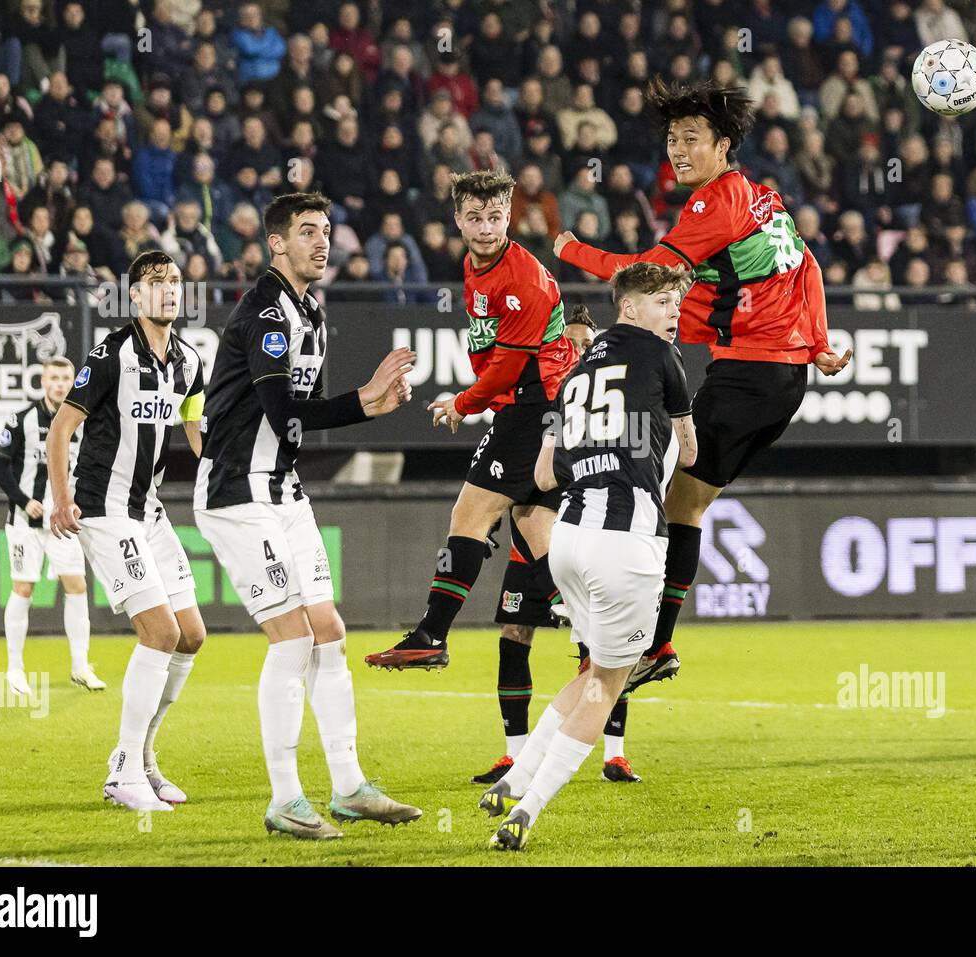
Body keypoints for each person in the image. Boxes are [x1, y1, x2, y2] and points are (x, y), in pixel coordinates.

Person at [554, 77, 851, 692]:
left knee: (653, 494)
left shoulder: (713, 203)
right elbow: (809, 267)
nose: (678, 151)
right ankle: (646, 636)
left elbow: (647, 275)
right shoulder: (764, 199)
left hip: (747, 374)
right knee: (683, 503)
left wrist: (573, 249)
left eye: (692, 139)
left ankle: (631, 633)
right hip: (779, 379)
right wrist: (818, 342)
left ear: (723, 146)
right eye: (671, 139)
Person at [193, 191, 420, 839]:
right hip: (237, 491)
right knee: (293, 637)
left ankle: (348, 785)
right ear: (277, 244)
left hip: (282, 488)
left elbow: (296, 424)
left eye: (326, 231)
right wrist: (364, 402)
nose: (322, 242)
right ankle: (285, 797)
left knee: (330, 630)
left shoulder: (313, 313)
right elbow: (281, 412)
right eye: (306, 232)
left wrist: (368, 406)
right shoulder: (267, 310)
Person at [480, 261, 698, 850]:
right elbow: (691, 448)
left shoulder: (574, 371)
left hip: (569, 537)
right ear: (629, 307)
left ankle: (516, 778)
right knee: (608, 683)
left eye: (675, 303)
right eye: (662, 302)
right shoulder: (662, 358)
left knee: (592, 671)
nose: (673, 312)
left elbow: (544, 472)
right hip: (625, 541)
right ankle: (527, 809)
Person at [364, 170, 580, 681]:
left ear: (509, 216)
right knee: (534, 525)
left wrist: (464, 402)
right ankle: (607, 626)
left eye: (496, 217)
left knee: (469, 515)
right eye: (475, 218)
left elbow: (508, 364)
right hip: (540, 406)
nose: (486, 228)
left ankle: (432, 635)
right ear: (458, 219)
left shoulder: (523, 277)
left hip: (534, 404)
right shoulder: (474, 264)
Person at [48, 251, 208, 812]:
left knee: (191, 635)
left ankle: (145, 758)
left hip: (149, 509)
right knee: (160, 633)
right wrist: (62, 499)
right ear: (134, 296)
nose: (167, 290)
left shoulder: (189, 360)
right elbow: (62, 427)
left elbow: (194, 427)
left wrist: (227, 461)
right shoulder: (110, 353)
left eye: (174, 281)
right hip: (103, 505)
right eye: (154, 282)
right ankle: (122, 769)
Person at [0, 357, 102, 696]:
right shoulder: (22, 419)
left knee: (77, 586)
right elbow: (0, 467)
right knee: (24, 587)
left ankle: (80, 666)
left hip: (61, 522)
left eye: (65, 378)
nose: (59, 384)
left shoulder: (80, 423)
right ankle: (14, 668)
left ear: (73, 381)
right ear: (43, 381)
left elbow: (84, 469)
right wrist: (25, 501)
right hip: (25, 522)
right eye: (54, 378)